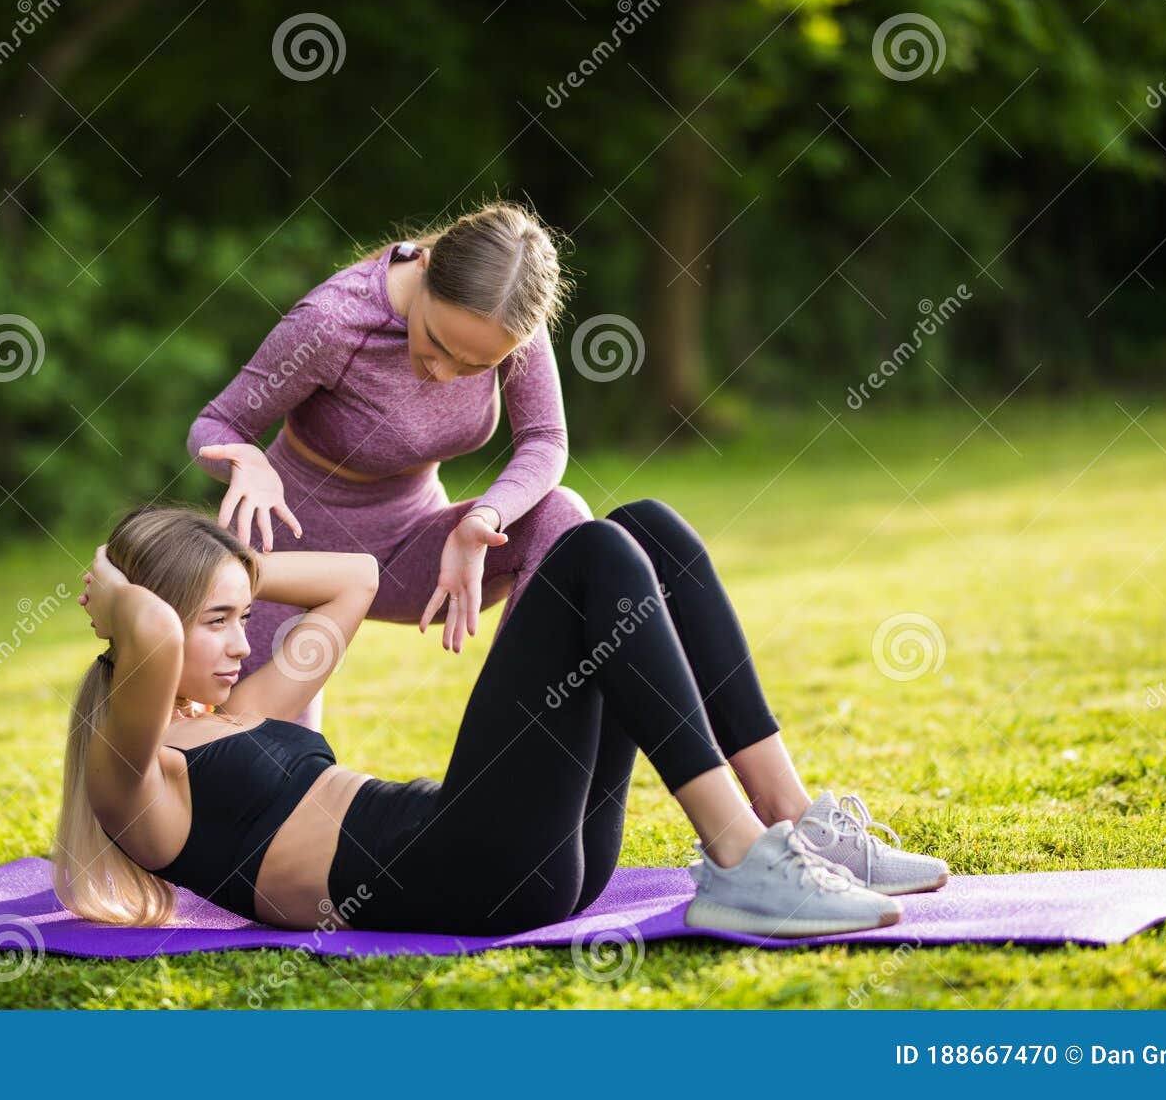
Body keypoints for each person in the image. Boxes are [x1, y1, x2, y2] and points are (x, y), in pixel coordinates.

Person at [53, 498, 949, 939]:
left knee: (645, 530)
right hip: (470, 865)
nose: (242, 643)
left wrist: (228, 566)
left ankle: (790, 824)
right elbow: (158, 633)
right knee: (591, 552)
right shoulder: (136, 776)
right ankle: (739, 855)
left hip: (533, 855)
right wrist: (124, 592)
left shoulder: (243, 710)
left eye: (242, 618)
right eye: (220, 623)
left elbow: (355, 580)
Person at [187, 200, 592, 734]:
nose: (448, 374)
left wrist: (485, 518)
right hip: (287, 552)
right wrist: (250, 463)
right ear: (424, 268)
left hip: (411, 553)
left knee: (563, 517)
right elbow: (216, 424)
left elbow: (545, 439)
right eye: (438, 345)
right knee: (265, 758)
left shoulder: (509, 315)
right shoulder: (333, 323)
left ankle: (516, 740)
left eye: (478, 366)